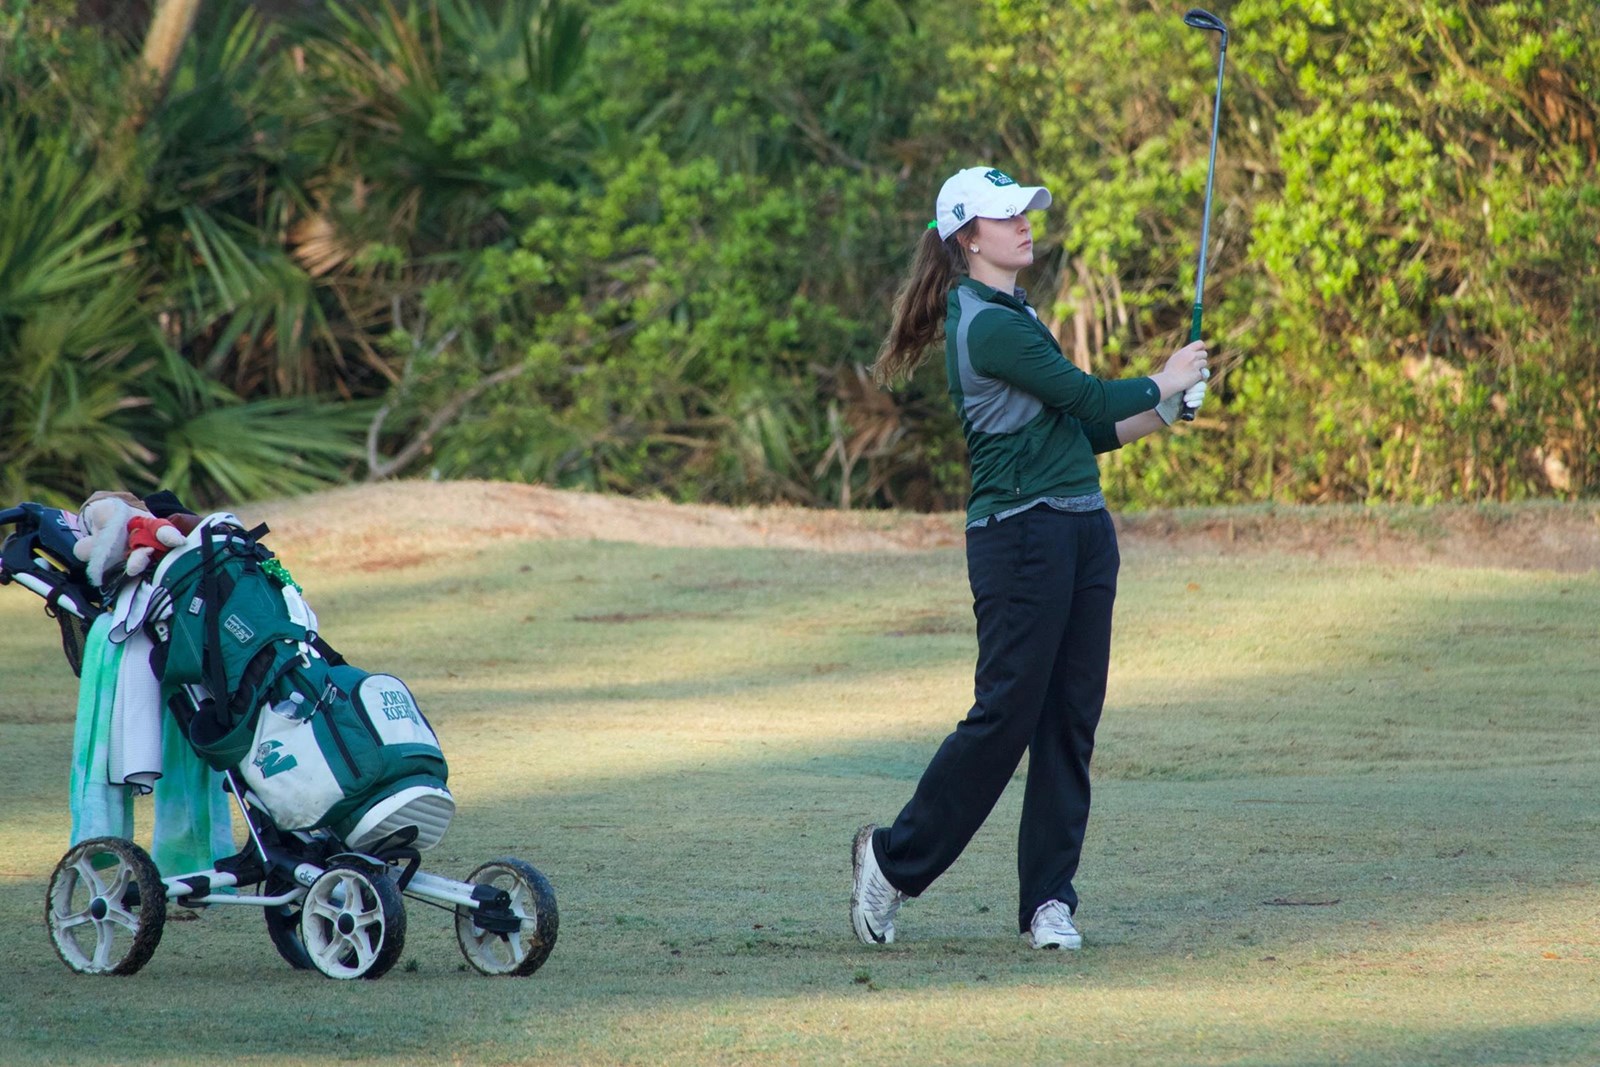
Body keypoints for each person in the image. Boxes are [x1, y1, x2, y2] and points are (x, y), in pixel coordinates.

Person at [850, 166, 1210, 950]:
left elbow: (1081, 433)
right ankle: (890, 859)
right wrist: (1163, 377)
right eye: (1005, 215)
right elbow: (1086, 396)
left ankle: (1049, 901)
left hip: (1082, 530)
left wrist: (1166, 410)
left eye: (1025, 213)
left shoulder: (1018, 313)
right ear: (967, 237)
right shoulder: (985, 324)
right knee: (1005, 717)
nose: (1024, 224)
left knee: (1069, 719)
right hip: (1018, 538)